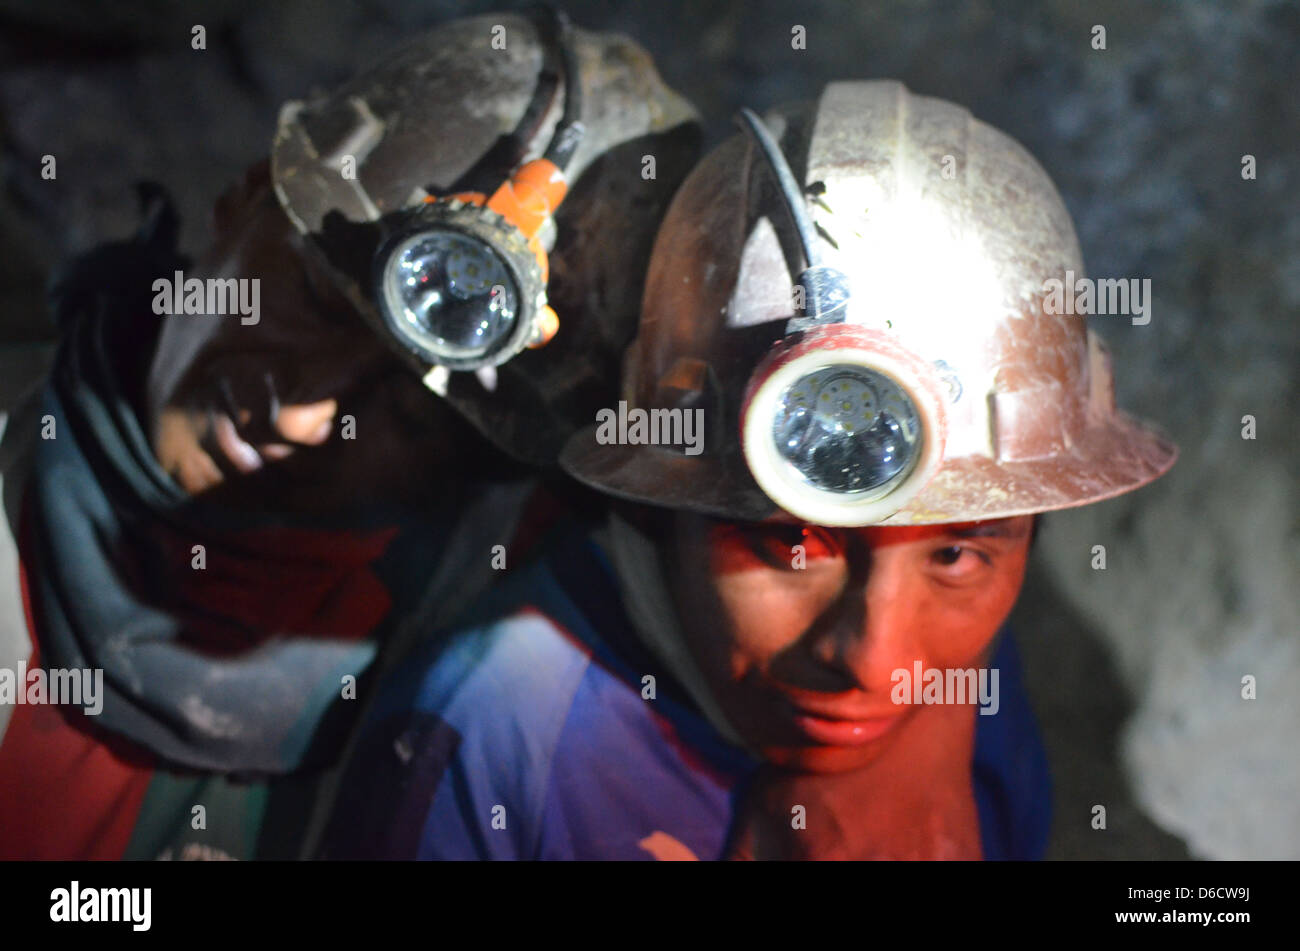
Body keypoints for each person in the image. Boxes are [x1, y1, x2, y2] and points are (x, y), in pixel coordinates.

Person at [320, 80, 1177, 860]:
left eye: (954, 553)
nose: (875, 662)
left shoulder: (959, 673)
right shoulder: (492, 737)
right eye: (790, 546)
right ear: (658, 508)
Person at [0, 10, 699, 860]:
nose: (297, 415)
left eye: (406, 414)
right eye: (317, 302)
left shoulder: (476, 690)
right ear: (246, 195)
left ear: (467, 471)